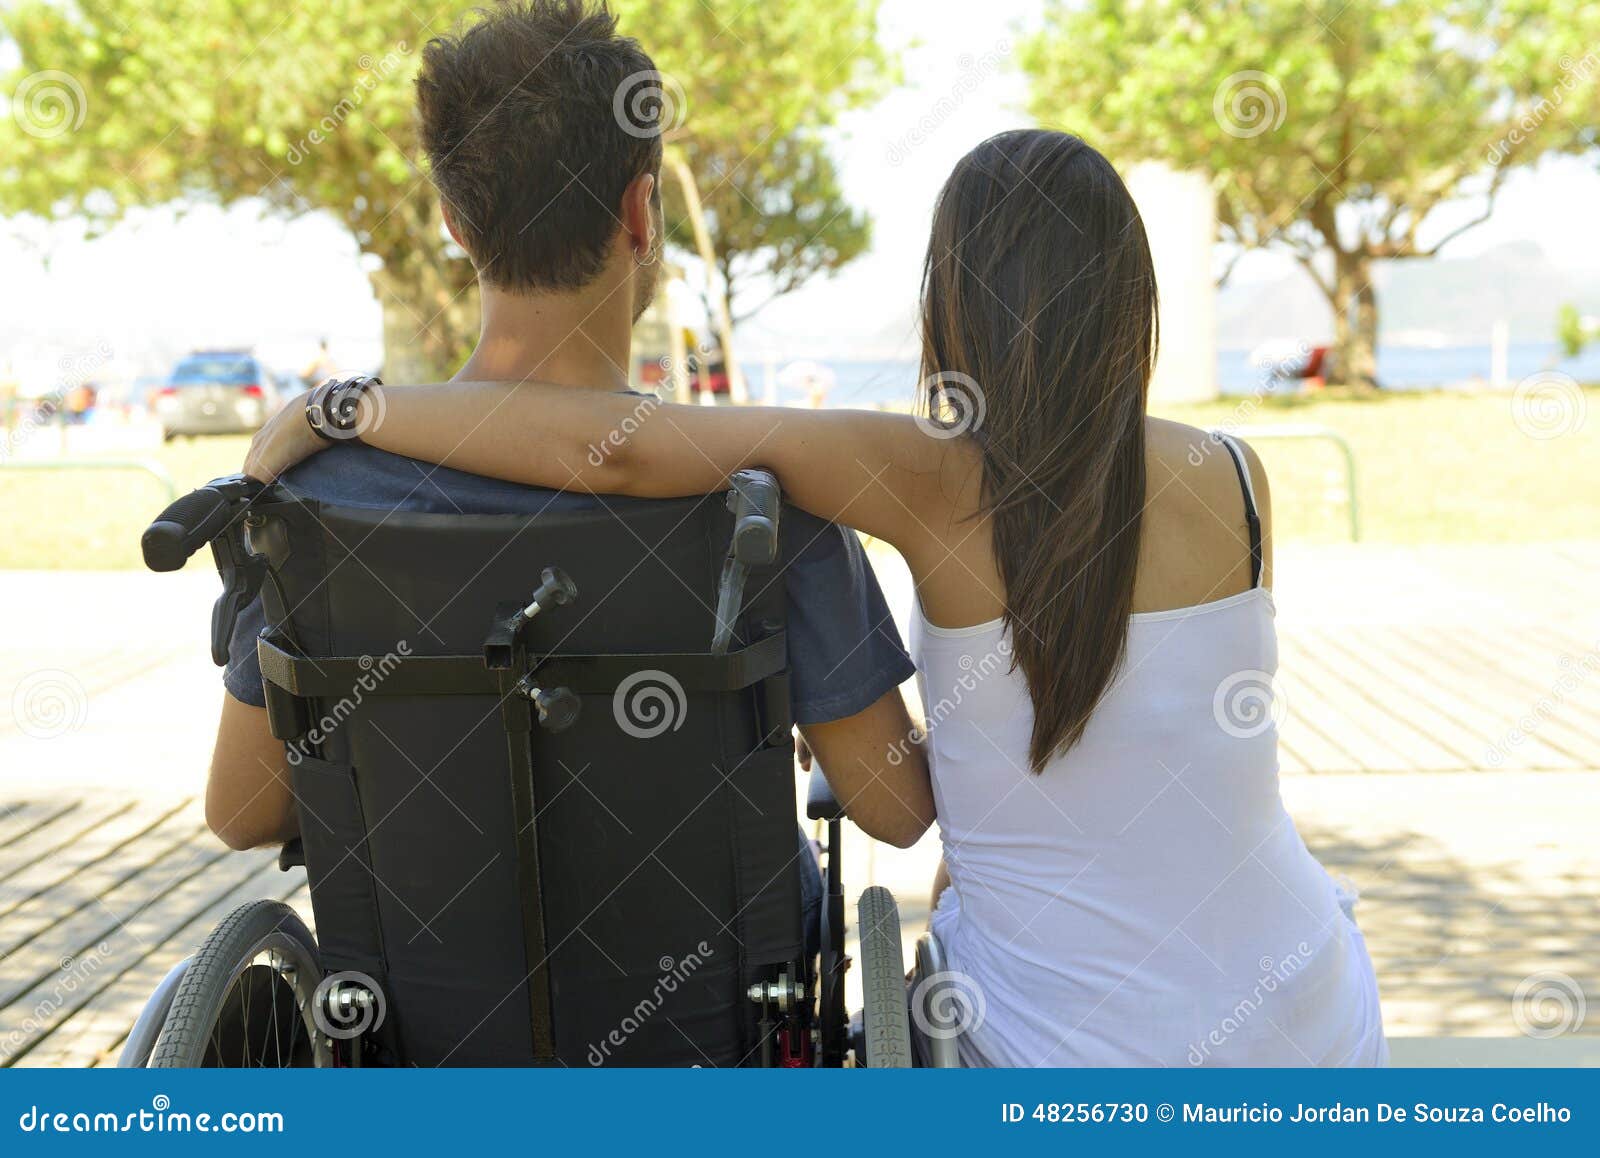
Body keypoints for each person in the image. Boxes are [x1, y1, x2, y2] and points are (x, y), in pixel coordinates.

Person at [250, 128, 1388, 1068]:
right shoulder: (1238, 477)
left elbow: (618, 451)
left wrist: (341, 412)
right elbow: (1155, 742)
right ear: (1130, 302)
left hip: (1070, 1055)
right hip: (1310, 1015)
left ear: (955, 299)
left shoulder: (929, 474)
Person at [206, 0, 934, 965]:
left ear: (456, 225)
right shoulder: (762, 502)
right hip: (717, 1022)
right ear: (641, 215)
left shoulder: (319, 504)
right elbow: (894, 809)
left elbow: (242, 809)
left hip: (431, 1023)